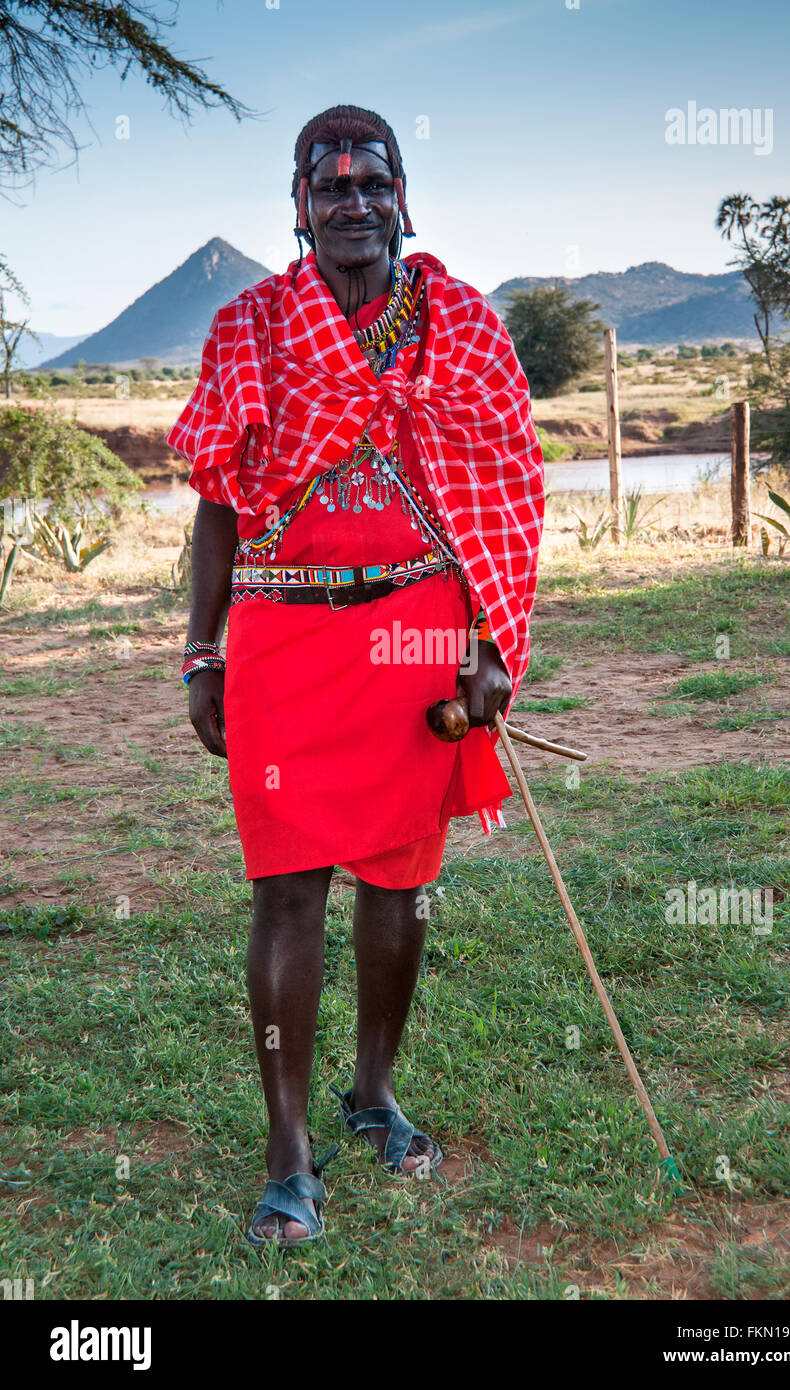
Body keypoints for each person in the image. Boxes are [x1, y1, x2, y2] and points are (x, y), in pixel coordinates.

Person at [167, 105, 545, 1248]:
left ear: (399, 196)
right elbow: (219, 503)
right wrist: (202, 650)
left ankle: (372, 1092)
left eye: (370, 182)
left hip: (418, 640)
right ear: (297, 207)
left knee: (397, 883)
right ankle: (288, 1154)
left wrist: (487, 647)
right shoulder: (249, 328)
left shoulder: (462, 328)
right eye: (325, 186)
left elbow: (508, 485)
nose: (350, 201)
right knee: (286, 888)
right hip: (283, 635)